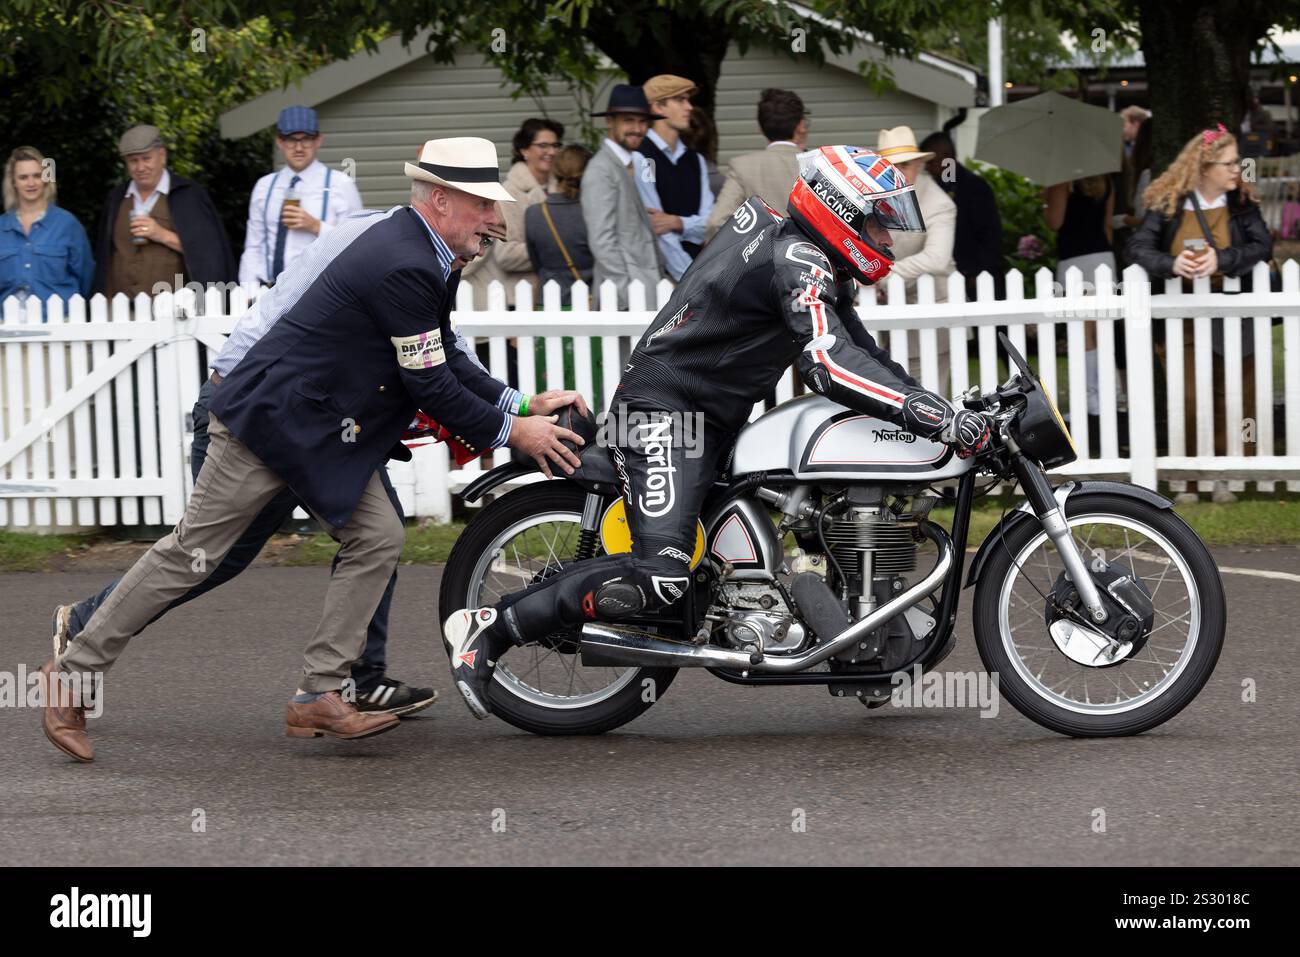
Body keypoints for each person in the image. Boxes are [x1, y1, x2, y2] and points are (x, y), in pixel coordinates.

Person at [39, 137, 589, 762]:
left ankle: (319, 693)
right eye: (483, 206)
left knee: (377, 536)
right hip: (270, 426)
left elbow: (441, 353)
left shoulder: (427, 253)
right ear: (440, 199)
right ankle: (70, 671)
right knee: (194, 554)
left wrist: (518, 405)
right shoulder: (406, 261)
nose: (496, 219)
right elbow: (428, 382)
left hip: (325, 433)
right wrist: (511, 433)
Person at [439, 146, 997, 720]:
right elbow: (828, 365)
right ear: (841, 210)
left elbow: (863, 355)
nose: (887, 237)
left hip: (710, 417)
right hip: (667, 415)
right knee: (663, 578)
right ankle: (494, 626)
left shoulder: (808, 255)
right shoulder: (797, 258)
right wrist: (938, 418)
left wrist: (933, 408)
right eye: (879, 220)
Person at [1127, 123, 1272, 505]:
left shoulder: (1242, 204)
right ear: (1204, 167)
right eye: (1229, 163)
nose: (1237, 169)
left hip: (1234, 319)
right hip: (1182, 319)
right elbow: (1139, 248)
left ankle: (1225, 474)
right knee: (1188, 397)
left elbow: (1262, 245)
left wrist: (1221, 259)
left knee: (1235, 400)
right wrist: (1173, 263)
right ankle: (1188, 477)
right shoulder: (1170, 204)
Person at [92, 124, 234, 297]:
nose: (140, 167)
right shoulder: (116, 199)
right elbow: (104, 259)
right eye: (133, 161)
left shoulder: (188, 196)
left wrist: (160, 234)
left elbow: (207, 253)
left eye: (146, 158)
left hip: (175, 310)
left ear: (162, 156)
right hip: (121, 311)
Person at [237, 106, 364, 287]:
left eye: (306, 140)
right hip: (269, 291)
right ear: (279, 142)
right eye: (291, 140)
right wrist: (248, 290)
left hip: (319, 290)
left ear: (318, 141)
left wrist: (316, 226)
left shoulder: (340, 184)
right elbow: (254, 245)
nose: (298, 148)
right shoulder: (265, 186)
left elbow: (357, 243)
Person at [875, 126, 957, 388]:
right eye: (889, 166)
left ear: (920, 164)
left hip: (928, 316)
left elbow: (936, 258)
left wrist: (880, 276)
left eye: (905, 165)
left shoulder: (939, 203)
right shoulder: (873, 196)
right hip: (879, 319)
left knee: (930, 400)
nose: (896, 173)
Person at [462, 117, 562, 307]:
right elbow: (506, 254)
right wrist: (557, 248)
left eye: (555, 145)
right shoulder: (509, 193)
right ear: (524, 150)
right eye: (543, 145)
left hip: (555, 294)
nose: (551, 151)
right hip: (520, 299)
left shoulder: (561, 188)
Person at [1045, 173, 1115, 438]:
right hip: (1103, 256)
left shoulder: (1062, 181)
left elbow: (1055, 222)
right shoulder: (1107, 182)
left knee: (1083, 332)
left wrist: (1046, 202)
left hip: (1075, 258)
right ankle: (1104, 394)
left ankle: (1090, 398)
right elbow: (1107, 225)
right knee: (1100, 330)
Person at [582, 84, 664, 308]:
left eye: (642, 121)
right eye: (628, 120)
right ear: (610, 121)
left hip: (643, 294)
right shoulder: (601, 170)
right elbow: (602, 241)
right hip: (625, 302)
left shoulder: (625, 165)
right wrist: (629, 296)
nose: (637, 129)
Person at [636, 75, 714, 281]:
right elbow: (658, 230)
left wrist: (678, 222)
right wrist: (690, 277)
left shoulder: (695, 160)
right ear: (657, 108)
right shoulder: (643, 158)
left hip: (699, 271)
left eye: (688, 100)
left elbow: (710, 223)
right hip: (666, 277)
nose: (689, 107)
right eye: (680, 100)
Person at [705, 88, 808, 240]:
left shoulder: (742, 167)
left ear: (760, 128)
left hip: (763, 260)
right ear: (800, 125)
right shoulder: (817, 165)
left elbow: (716, 223)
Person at [0, 146, 94, 310]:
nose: (31, 183)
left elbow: (86, 277)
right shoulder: (2, 227)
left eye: (37, 176)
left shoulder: (67, 225)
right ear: (13, 182)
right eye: (23, 177)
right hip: (8, 327)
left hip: (59, 326)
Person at [920, 131, 1005, 300]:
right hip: (950, 274)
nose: (927, 167)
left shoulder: (974, 187)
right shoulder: (939, 185)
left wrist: (979, 271)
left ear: (947, 156)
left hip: (978, 275)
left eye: (931, 161)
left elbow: (989, 234)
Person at [525, 144, 594, 304]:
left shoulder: (534, 213)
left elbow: (536, 262)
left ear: (555, 172)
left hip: (549, 303)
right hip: (592, 303)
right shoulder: (594, 213)